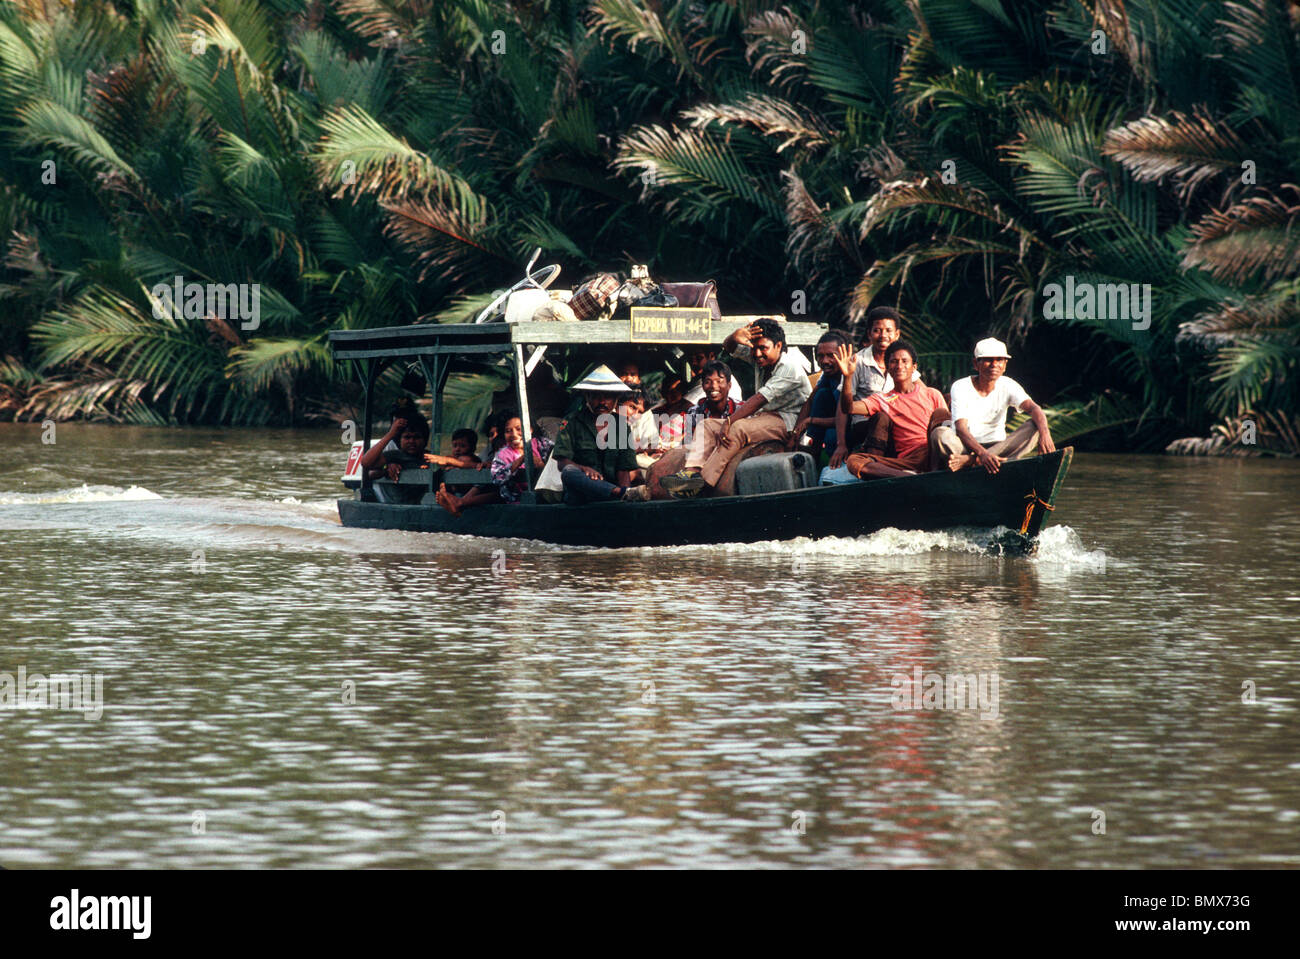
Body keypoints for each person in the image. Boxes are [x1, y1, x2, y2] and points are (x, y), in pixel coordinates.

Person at [662, 318, 811, 497]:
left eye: (763, 348)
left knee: (738, 427)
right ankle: (691, 473)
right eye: (754, 348)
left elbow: (759, 399)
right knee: (707, 425)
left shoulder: (789, 367)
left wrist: (731, 420)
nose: (757, 354)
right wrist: (735, 336)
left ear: (778, 346)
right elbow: (730, 346)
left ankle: (703, 483)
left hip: (789, 423)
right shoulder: (761, 359)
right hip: (766, 418)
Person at [930, 338, 1056, 473]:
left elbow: (1034, 408)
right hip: (964, 446)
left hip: (1000, 447)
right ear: (975, 364)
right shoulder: (961, 386)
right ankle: (983, 460)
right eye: (988, 360)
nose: (994, 365)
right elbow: (961, 429)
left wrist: (1045, 433)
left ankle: (971, 462)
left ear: (1005, 365)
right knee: (940, 434)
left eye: (999, 360)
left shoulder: (1008, 384)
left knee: (1035, 426)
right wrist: (982, 454)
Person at [842, 340, 950, 479]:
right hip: (907, 462)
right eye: (894, 362)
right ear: (888, 367)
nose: (899, 366)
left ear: (914, 367)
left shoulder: (931, 394)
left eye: (905, 361)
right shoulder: (883, 399)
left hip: (933, 452)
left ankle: (932, 474)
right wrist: (848, 377)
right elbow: (848, 408)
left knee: (941, 413)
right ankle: (909, 478)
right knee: (854, 461)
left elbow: (947, 430)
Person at [832, 306, 919, 467]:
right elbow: (843, 406)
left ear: (897, 334)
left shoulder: (902, 361)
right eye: (877, 330)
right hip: (865, 425)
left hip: (898, 423)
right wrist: (841, 444)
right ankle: (872, 466)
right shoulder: (857, 361)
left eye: (888, 330)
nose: (883, 336)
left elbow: (922, 391)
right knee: (882, 417)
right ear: (869, 334)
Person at [552, 364, 650, 503]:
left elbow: (624, 470)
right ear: (587, 396)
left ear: (616, 399)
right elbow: (562, 463)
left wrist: (626, 498)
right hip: (582, 495)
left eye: (608, 397)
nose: (602, 402)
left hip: (612, 498)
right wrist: (583, 468)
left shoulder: (622, 426)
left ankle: (620, 493)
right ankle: (617, 492)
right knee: (569, 472)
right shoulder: (571, 421)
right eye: (596, 396)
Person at [790, 330, 848, 461]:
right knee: (821, 395)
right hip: (833, 420)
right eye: (820, 356)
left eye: (831, 355)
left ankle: (833, 467)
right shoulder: (828, 374)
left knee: (831, 435)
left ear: (843, 355)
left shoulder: (850, 375)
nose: (825, 361)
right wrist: (795, 435)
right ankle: (813, 454)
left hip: (851, 425)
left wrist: (810, 420)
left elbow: (846, 418)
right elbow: (810, 400)